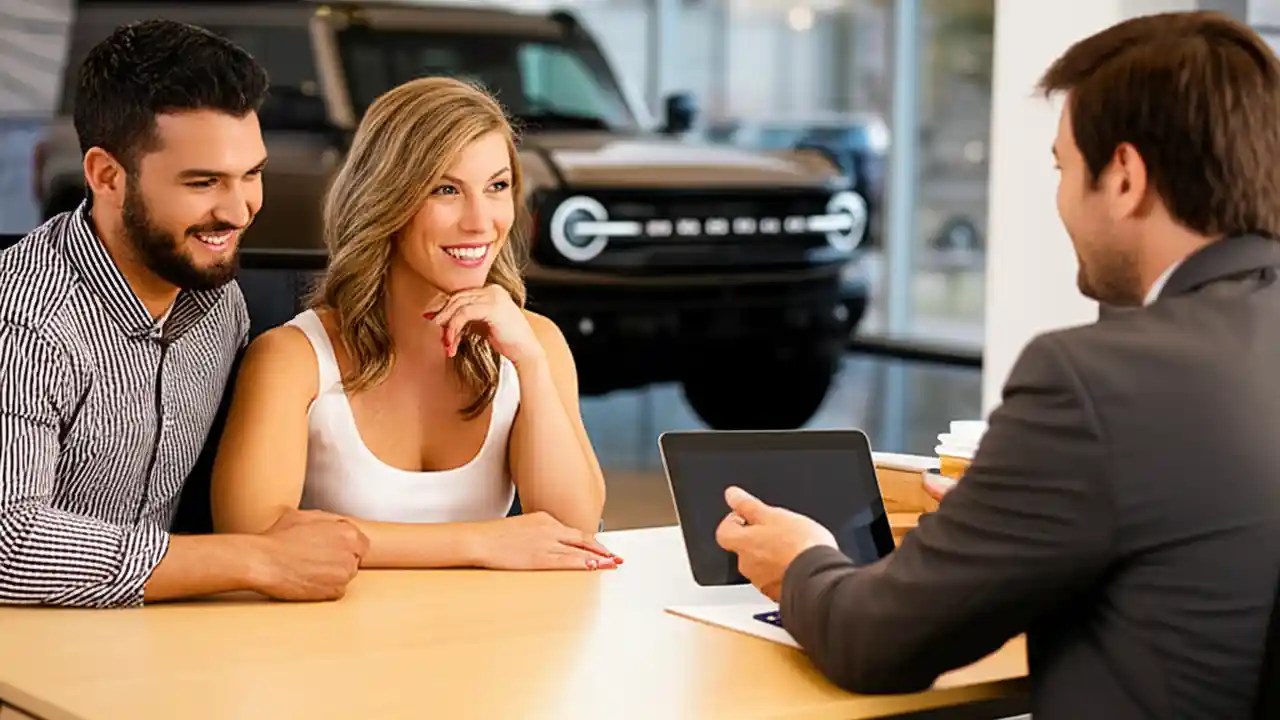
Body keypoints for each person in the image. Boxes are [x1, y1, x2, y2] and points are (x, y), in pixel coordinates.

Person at [716, 11, 1280, 718]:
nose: (1061, 200)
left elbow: (874, 642)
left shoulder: (1097, 379)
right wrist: (1011, 522)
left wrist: (801, 560)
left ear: (1127, 178)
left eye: (1063, 168)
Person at [0, 20, 370, 608]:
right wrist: (256, 560)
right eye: (203, 182)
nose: (239, 210)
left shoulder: (218, 302)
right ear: (106, 176)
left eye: (252, 175)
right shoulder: (27, 320)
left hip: (155, 643)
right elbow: (8, 543)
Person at [210, 77, 617, 572]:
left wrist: (529, 362)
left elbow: (572, 531)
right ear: (387, 199)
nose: (480, 221)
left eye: (497, 187)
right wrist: (480, 543)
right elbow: (252, 533)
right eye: (446, 189)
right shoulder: (293, 357)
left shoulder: (537, 344)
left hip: (490, 638)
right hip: (330, 640)